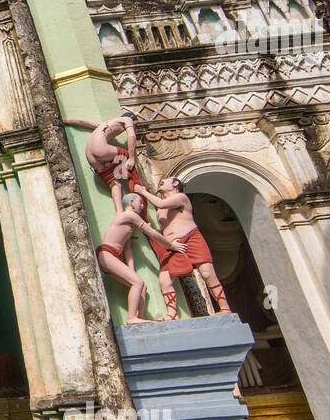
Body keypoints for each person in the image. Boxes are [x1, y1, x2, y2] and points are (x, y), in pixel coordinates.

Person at [135, 176, 233, 319]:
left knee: (207, 273)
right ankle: (172, 314)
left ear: (175, 184)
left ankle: (225, 308)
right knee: (165, 279)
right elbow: (163, 221)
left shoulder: (181, 198)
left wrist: (143, 192)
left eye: (165, 181)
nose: (161, 182)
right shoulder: (159, 210)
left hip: (192, 238)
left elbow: (161, 203)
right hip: (173, 246)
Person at [95, 192, 186, 324]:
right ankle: (131, 318)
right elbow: (152, 233)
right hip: (106, 254)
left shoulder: (129, 225)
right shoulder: (129, 215)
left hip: (112, 257)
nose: (142, 205)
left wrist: (131, 270)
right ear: (131, 203)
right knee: (138, 283)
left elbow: (128, 250)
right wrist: (171, 245)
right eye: (140, 202)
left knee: (141, 286)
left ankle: (140, 318)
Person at [64, 112, 144, 211]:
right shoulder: (127, 120)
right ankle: (141, 187)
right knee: (127, 156)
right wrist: (131, 158)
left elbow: (82, 121)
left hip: (91, 158)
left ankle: (119, 211)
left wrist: (64, 121)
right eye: (135, 125)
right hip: (100, 149)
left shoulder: (104, 124)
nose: (134, 127)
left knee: (115, 183)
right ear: (132, 118)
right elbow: (132, 136)